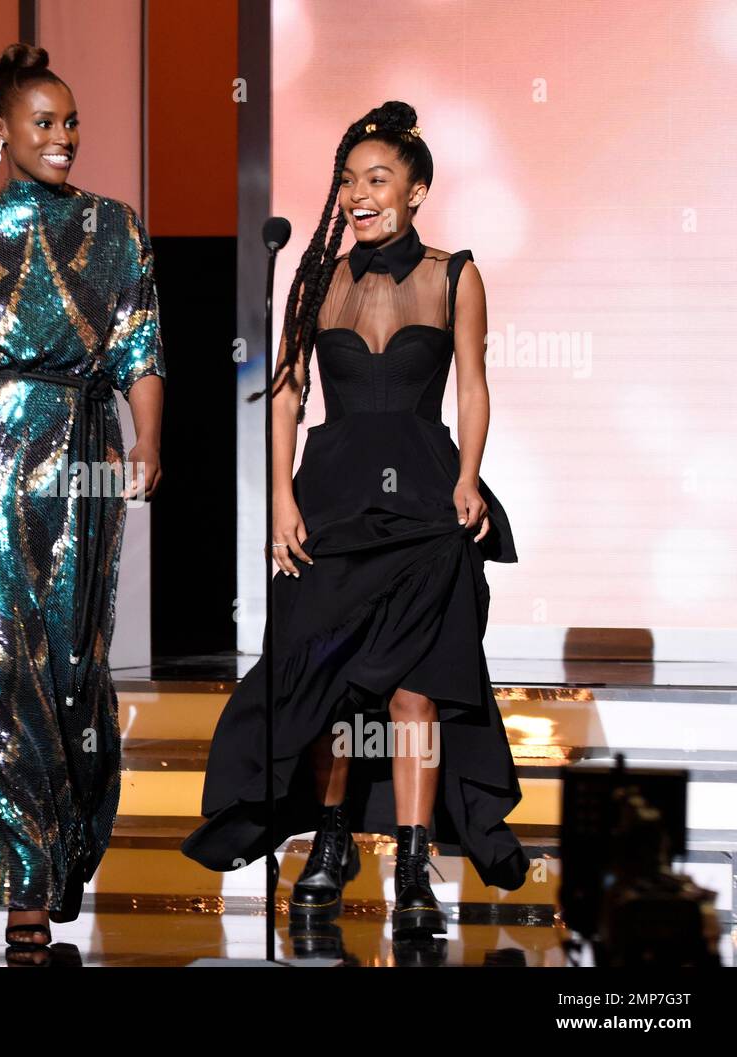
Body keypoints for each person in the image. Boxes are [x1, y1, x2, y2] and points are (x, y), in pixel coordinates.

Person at [181, 101, 527, 937]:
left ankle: (413, 864)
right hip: (331, 508)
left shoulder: (455, 274)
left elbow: (474, 387)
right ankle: (330, 846)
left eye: (377, 180)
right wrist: (280, 502)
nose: (357, 194)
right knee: (329, 684)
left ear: (417, 191)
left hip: (426, 511)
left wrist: (472, 480)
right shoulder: (316, 278)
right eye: (347, 180)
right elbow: (286, 399)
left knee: (415, 695)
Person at [0, 43, 165, 959]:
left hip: (84, 450)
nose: (62, 137)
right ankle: (25, 888)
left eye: (71, 121)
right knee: (7, 665)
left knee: (78, 665)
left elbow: (140, 349)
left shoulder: (119, 229)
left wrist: (147, 435)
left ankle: (69, 849)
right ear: (0, 132)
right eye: (43, 122)